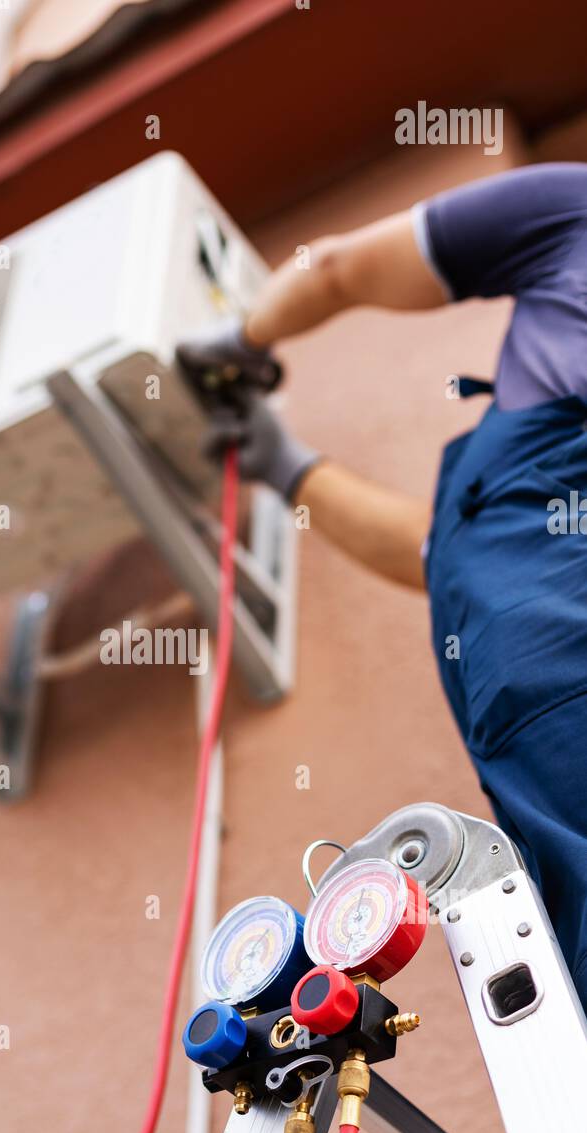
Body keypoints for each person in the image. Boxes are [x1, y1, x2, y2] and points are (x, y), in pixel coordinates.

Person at [178, 162, 587, 1005]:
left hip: (548, 671)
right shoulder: (529, 515)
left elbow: (337, 269)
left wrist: (243, 343)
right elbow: (446, 556)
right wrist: (287, 467)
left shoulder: (571, 210)